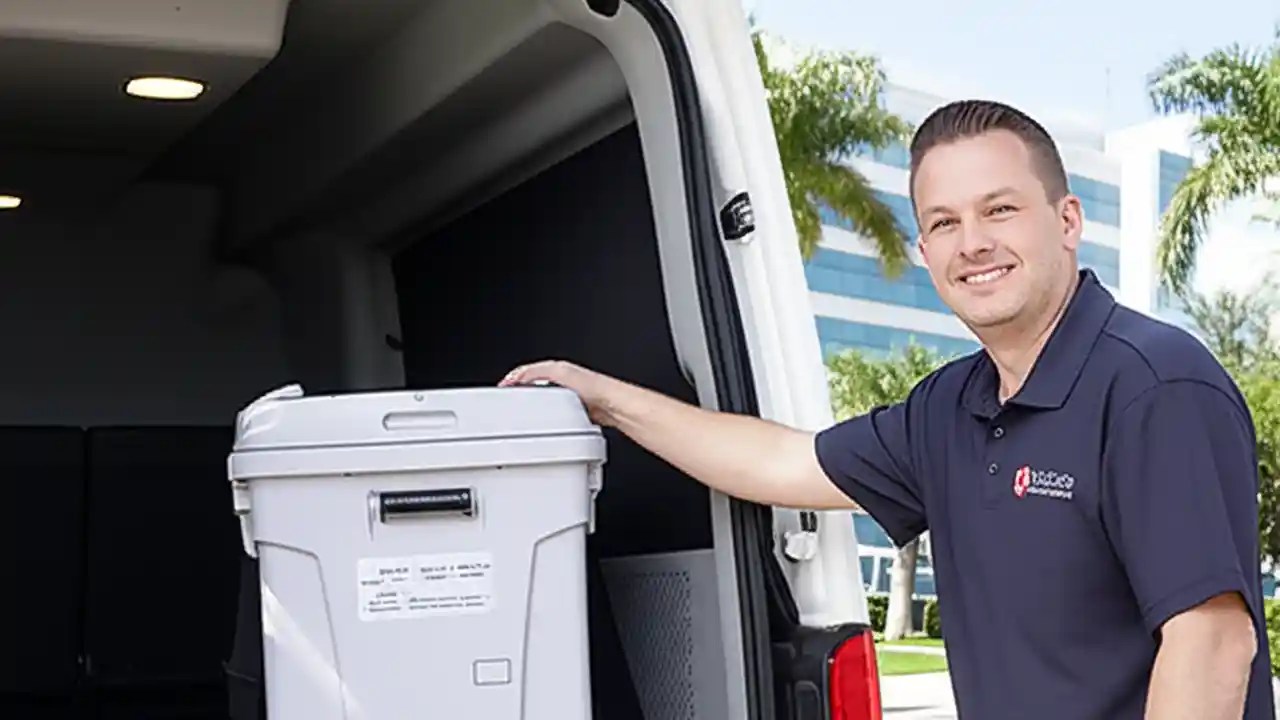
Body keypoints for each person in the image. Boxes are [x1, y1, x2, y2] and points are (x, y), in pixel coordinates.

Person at [499, 99, 1275, 719]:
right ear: (924, 249)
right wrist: (603, 399)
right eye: (944, 222)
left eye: (1000, 210)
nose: (972, 242)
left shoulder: (1154, 386)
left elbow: (1210, 643)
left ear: (1067, 221)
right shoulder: (949, 407)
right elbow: (779, 462)